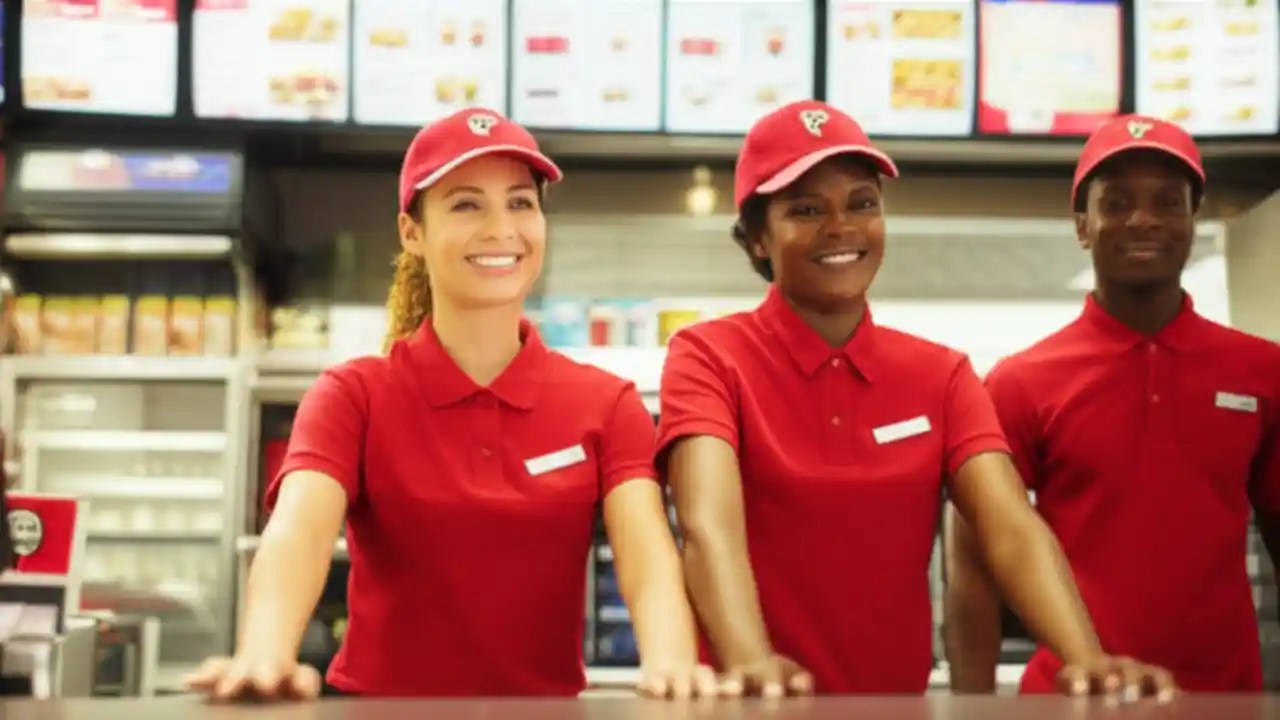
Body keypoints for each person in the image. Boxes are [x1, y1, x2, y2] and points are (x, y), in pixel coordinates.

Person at [656, 100, 1177, 698]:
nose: (840, 227)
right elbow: (708, 525)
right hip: (753, 709)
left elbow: (1010, 528)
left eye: (862, 203)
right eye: (805, 209)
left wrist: (1087, 657)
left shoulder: (942, 375)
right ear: (756, 240)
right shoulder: (708, 356)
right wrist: (751, 662)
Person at [186, 108, 712, 700]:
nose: (500, 228)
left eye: (520, 203)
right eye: (466, 204)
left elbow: (647, 558)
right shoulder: (352, 396)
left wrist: (671, 664)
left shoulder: (605, 404)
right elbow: (299, 534)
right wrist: (265, 652)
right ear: (412, 232)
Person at [944, 114, 1280, 694]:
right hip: (1071, 701)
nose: (1142, 219)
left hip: (1224, 700)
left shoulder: (1262, 372)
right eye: (1117, 202)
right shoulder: (1021, 381)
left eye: (1167, 202)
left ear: (1191, 219)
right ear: (1083, 224)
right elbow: (973, 564)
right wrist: (973, 706)